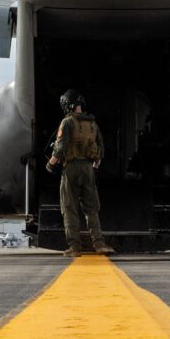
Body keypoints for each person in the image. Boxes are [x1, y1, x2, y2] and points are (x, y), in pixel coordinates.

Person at [46, 89, 112, 256]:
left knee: (69, 208)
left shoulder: (67, 122)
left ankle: (74, 246)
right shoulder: (92, 123)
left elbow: (60, 147)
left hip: (71, 168)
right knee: (91, 208)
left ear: (67, 105)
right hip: (88, 168)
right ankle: (99, 244)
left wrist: (51, 164)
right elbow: (101, 148)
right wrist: (96, 163)